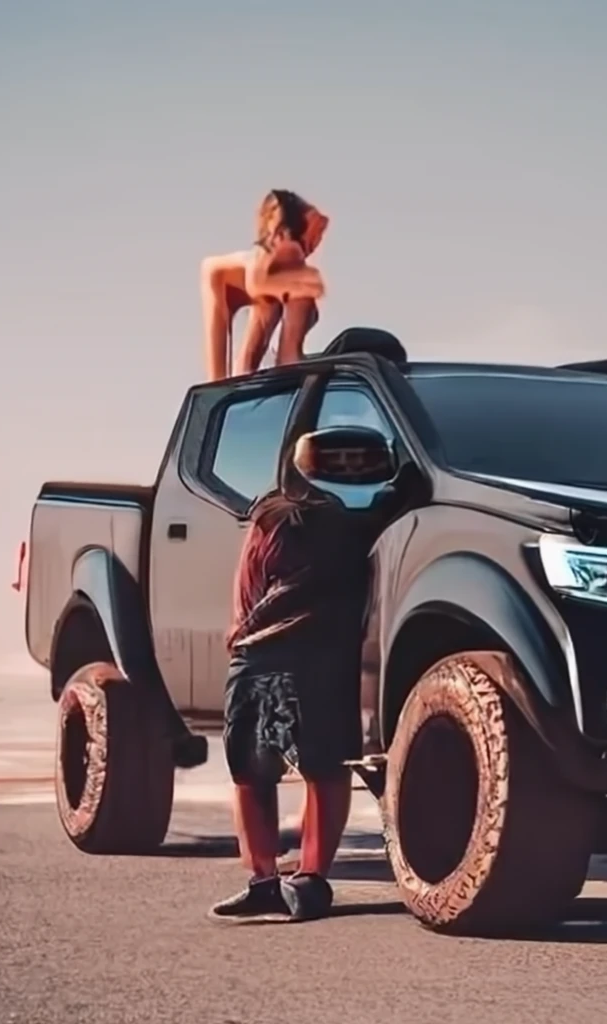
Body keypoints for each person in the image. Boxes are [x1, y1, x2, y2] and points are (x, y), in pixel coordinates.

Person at [210, 425, 420, 922]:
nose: (348, 467)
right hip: (303, 653)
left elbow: (251, 586)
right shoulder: (370, 518)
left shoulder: (275, 511)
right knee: (307, 769)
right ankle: (299, 879)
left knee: (268, 771)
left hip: (267, 652)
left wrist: (240, 634)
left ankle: (281, 880)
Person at [200, 190, 330, 381]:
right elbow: (255, 285)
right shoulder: (266, 253)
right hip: (224, 282)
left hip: (264, 281)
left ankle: (239, 384)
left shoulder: (290, 259)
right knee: (221, 376)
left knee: (282, 307)